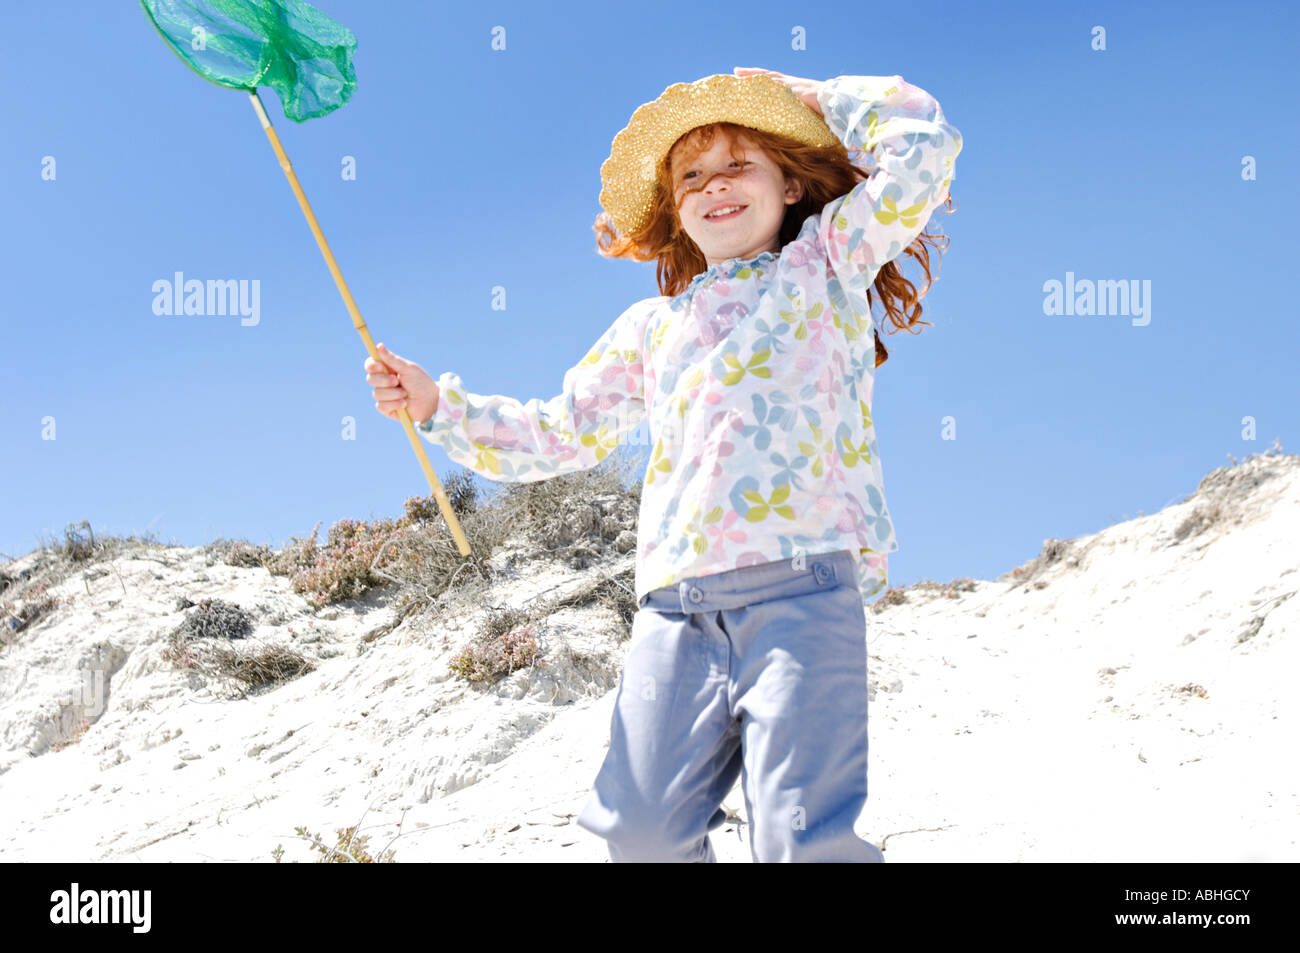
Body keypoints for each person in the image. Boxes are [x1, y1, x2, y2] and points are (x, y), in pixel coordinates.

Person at [365, 67, 961, 862]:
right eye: (691, 176)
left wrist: (814, 97)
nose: (715, 185)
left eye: (739, 164)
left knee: (801, 836)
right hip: (674, 609)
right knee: (639, 832)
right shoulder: (653, 327)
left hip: (803, 587)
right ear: (676, 211)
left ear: (789, 183)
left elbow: (923, 146)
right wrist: (437, 404)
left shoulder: (824, 263)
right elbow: (559, 430)